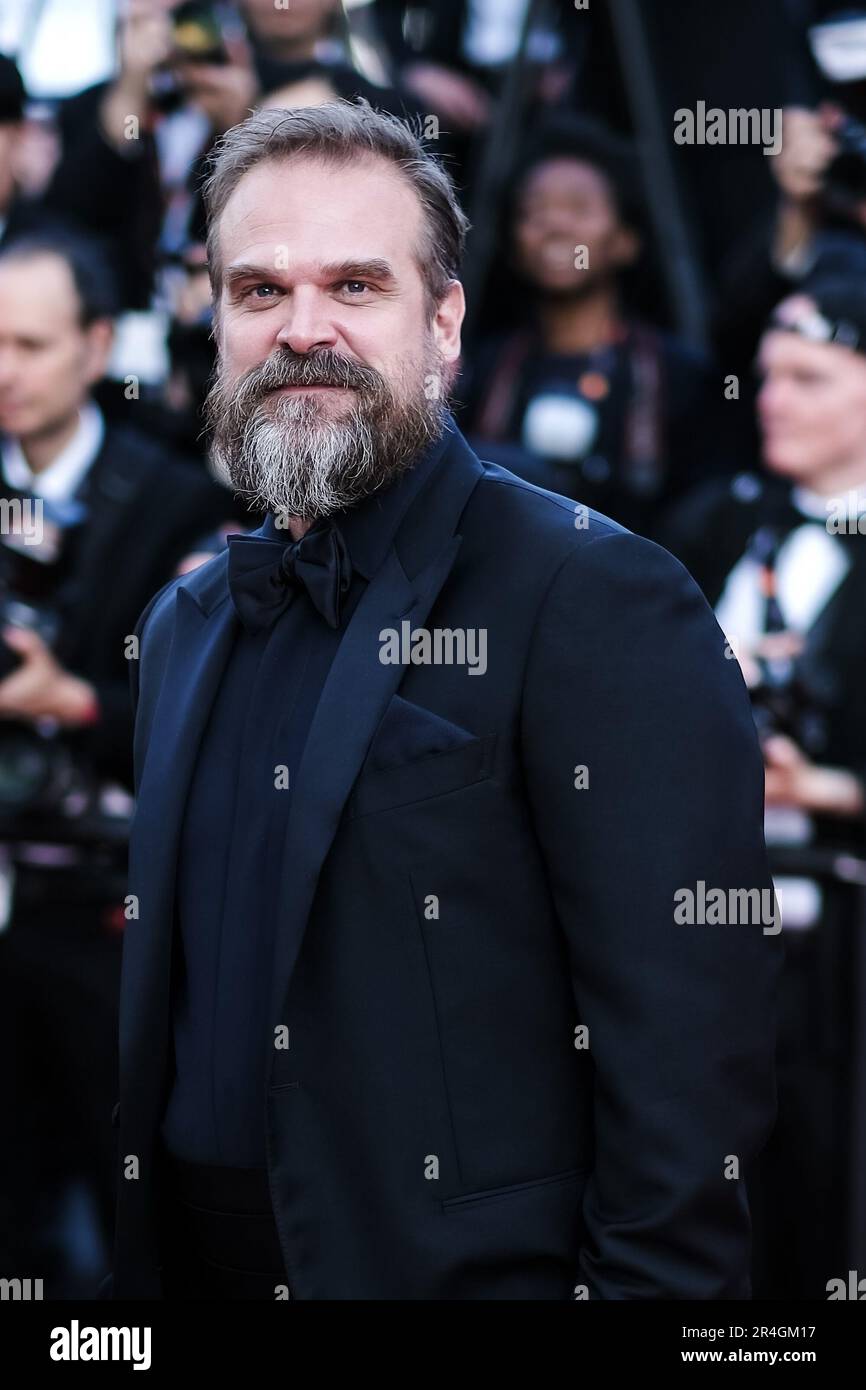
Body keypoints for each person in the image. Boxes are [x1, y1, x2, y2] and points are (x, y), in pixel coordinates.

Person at [109, 99, 781, 1301]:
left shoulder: (593, 595)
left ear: (445, 321)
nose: (300, 329)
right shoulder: (181, 626)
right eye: (258, 291)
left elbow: (685, 1077)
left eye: (355, 287)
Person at [0, 234, 236, 1293]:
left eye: (30, 344)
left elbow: (219, 710)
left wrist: (78, 700)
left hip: (113, 904)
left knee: (132, 1205)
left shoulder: (177, 500)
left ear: (98, 346)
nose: (3, 369)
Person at [659, 275, 866, 1297]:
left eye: (808, 376)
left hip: (844, 958)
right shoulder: (712, 522)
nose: (771, 397)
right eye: (769, 374)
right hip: (703, 938)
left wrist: (829, 786)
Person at [457, 113, 732, 538]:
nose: (555, 225)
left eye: (579, 208)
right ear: (513, 243)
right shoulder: (480, 367)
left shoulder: (678, 376)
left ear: (626, 241)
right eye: (534, 211)